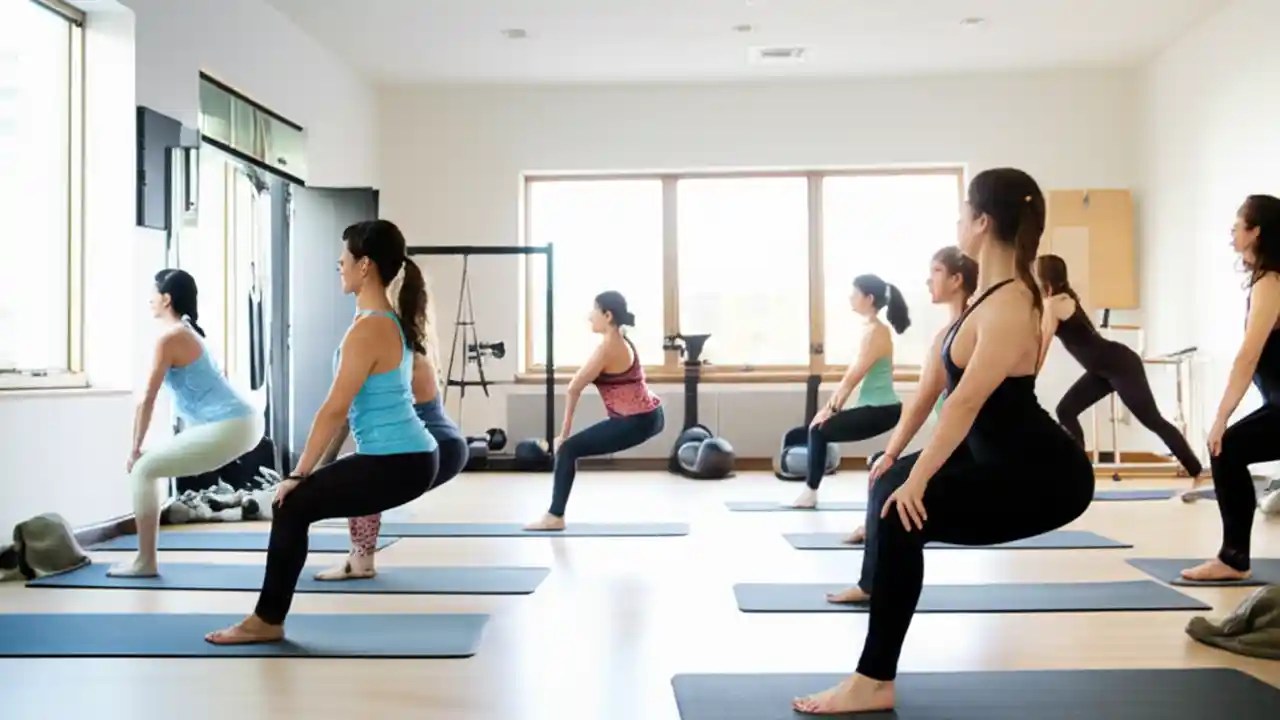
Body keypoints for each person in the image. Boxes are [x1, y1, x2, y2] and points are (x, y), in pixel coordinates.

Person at [792, 168, 1094, 715]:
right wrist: (894, 456)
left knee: (898, 513)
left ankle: (874, 680)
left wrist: (919, 479)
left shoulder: (1011, 304)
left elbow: (966, 403)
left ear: (981, 221)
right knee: (892, 489)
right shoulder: (984, 302)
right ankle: (875, 638)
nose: (957, 221)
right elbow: (930, 391)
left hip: (1043, 478)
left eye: (962, 212)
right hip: (996, 461)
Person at [205, 219, 439, 645]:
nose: (339, 265)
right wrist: (313, 471)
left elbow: (334, 409)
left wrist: (297, 474)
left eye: (343, 259)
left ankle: (266, 620)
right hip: (405, 457)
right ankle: (269, 618)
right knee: (297, 504)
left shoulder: (369, 328)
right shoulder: (382, 320)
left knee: (291, 506)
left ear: (364, 265)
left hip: (400, 460)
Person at [825, 248, 978, 609]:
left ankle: (873, 578)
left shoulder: (973, 331)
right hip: (957, 444)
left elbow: (962, 405)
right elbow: (923, 399)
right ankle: (871, 551)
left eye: (936, 271)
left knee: (888, 483)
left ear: (957, 281)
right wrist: (892, 454)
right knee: (882, 470)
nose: (928, 279)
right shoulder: (947, 334)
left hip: (974, 448)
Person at [111, 269, 264, 577]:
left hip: (234, 424)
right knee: (150, 468)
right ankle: (146, 560)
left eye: (154, 294)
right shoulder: (187, 331)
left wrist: (134, 449)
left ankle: (145, 562)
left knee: (142, 469)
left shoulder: (171, 338)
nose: (150, 300)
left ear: (167, 299)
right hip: (242, 423)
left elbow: (147, 399)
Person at [313, 278, 468, 581]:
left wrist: (319, 465)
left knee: (362, 481)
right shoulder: (408, 347)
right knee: (364, 481)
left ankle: (360, 561)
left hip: (438, 445)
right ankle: (361, 561)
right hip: (447, 444)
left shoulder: (396, 351)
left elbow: (343, 413)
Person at [1180, 194, 1280, 583]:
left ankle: (1233, 559)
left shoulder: (1270, 284)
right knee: (1231, 449)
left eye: (1237, 226)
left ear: (1256, 232)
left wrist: (1220, 418)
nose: (1231, 235)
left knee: (1227, 447)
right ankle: (1233, 558)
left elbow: (1247, 356)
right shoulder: (1267, 281)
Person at [1035, 253, 1204, 482]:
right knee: (1066, 410)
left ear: (1045, 280)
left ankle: (1195, 469)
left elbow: (1043, 343)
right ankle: (1079, 470)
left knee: (1152, 419)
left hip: (1121, 366)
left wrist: (1030, 377)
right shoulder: (1058, 300)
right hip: (1101, 370)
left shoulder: (1054, 304)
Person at [525, 291, 664, 530]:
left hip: (637, 420)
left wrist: (563, 435)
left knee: (568, 450)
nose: (590, 316)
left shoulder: (608, 349)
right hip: (651, 415)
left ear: (607, 315)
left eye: (594, 310)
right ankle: (555, 515)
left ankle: (555, 516)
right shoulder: (622, 339)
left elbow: (574, 388)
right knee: (571, 449)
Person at [792, 275, 911, 508]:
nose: (850, 297)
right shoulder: (871, 329)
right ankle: (811, 491)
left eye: (855, 293)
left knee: (818, 430)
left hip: (882, 410)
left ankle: (810, 493)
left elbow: (851, 379)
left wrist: (829, 410)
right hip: (879, 408)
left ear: (869, 298)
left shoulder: (876, 333)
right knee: (818, 429)